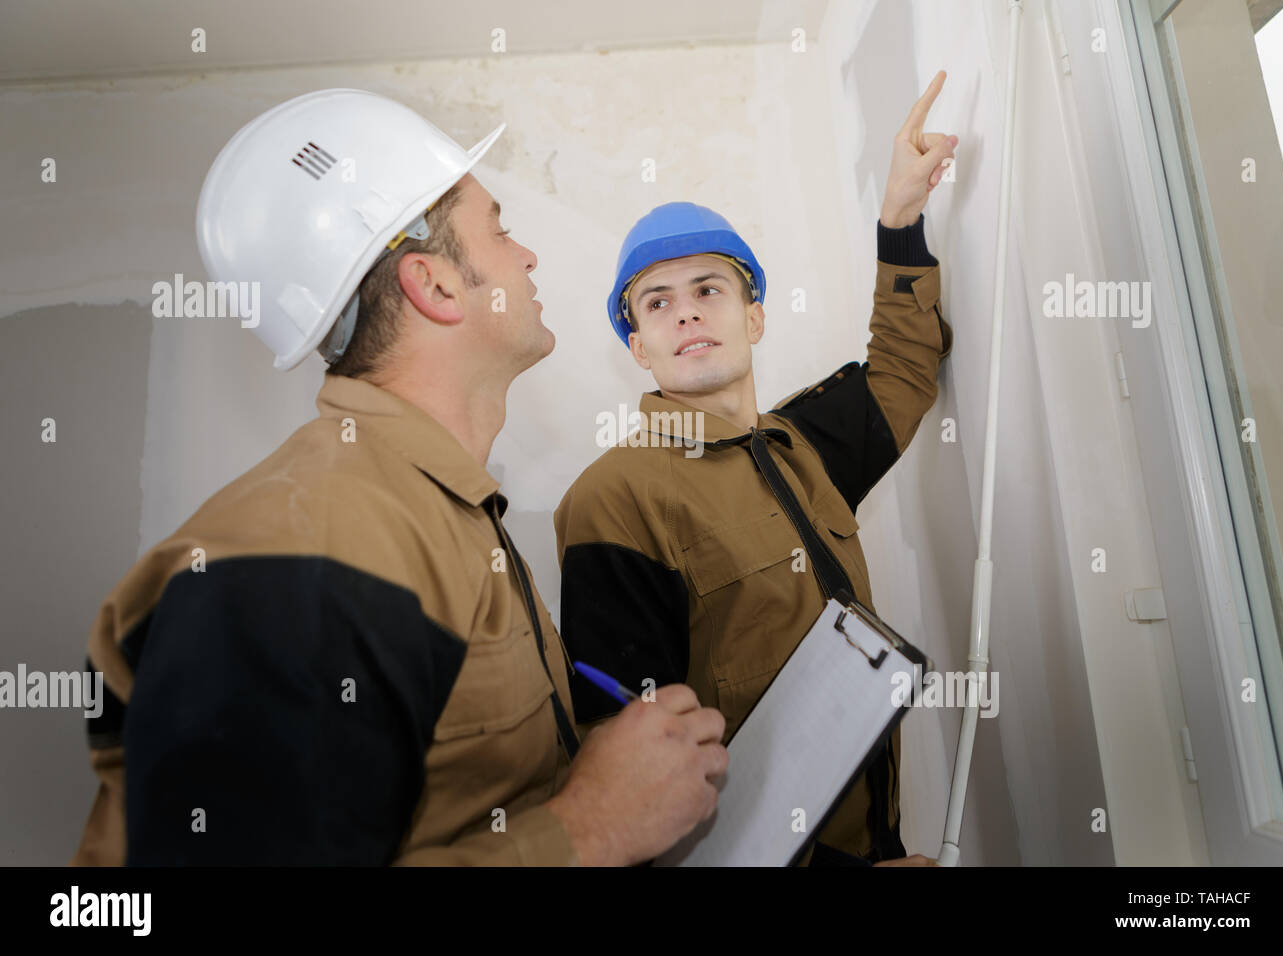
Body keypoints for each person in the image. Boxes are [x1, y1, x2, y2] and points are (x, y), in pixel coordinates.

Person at [70, 89, 726, 867]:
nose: (527, 256)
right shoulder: (307, 543)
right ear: (436, 286)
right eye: (501, 229)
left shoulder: (440, 512)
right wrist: (587, 828)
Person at [554, 72, 956, 866]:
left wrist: (900, 218)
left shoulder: (797, 448)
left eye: (709, 288)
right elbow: (632, 771)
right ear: (638, 347)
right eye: (657, 303)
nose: (688, 312)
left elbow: (904, 374)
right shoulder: (613, 498)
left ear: (755, 315)